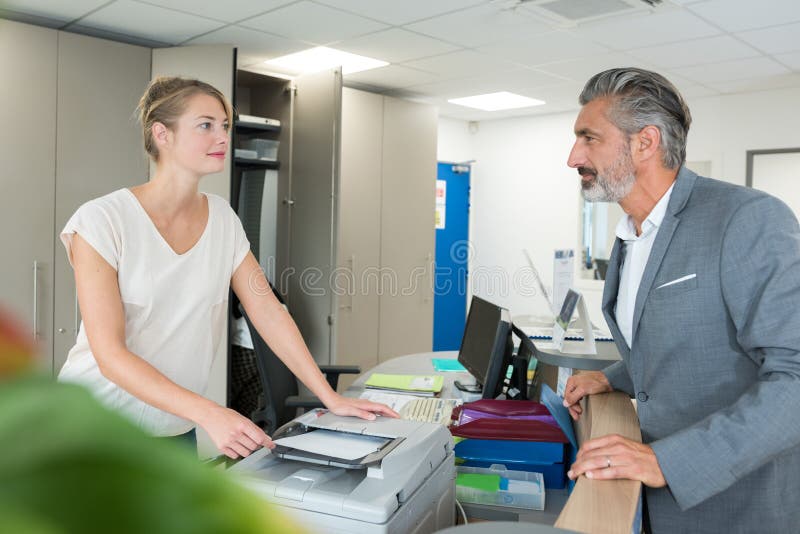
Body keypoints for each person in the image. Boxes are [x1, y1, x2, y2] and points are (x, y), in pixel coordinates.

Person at [58, 76, 397, 459]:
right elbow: (109, 355)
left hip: (172, 425)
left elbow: (267, 309)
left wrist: (328, 396)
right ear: (162, 134)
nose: (222, 137)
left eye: (224, 126)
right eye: (206, 125)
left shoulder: (222, 219)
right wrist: (211, 413)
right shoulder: (102, 220)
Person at [561, 67, 800, 532]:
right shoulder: (633, 233)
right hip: (658, 507)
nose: (574, 157)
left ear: (645, 142)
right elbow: (690, 341)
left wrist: (665, 461)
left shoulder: (746, 219)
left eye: (589, 138)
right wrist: (614, 377)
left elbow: (794, 380)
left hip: (739, 507)